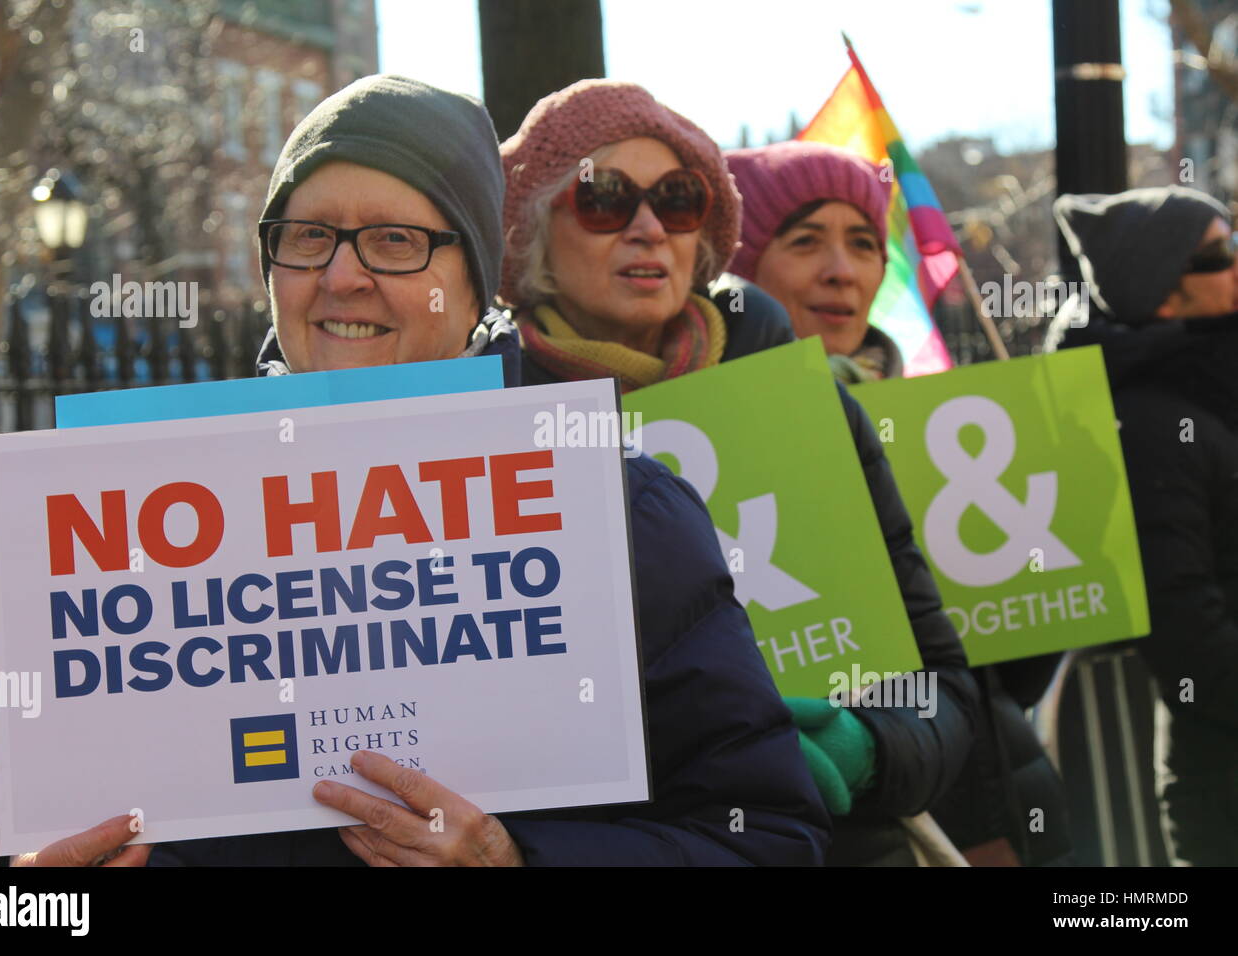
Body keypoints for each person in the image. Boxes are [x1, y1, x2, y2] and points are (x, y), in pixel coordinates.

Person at [0, 74, 829, 867]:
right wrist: (14, 852)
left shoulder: (618, 506)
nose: (343, 276)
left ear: (478, 284)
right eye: (308, 236)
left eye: (396, 241)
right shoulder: (112, 495)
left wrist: (518, 860)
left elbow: (764, 832)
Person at [499, 80, 978, 865]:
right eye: (604, 198)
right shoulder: (481, 436)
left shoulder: (811, 404)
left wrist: (869, 750)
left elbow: (945, 693)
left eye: (679, 200)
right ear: (531, 234)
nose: (648, 227)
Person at [723, 139, 1072, 865]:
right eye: (805, 241)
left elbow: (997, 677)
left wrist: (1049, 580)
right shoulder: (697, 444)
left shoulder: (946, 421)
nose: (842, 270)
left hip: (994, 795)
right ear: (741, 264)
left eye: (863, 242)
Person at [1046, 185, 1238, 866]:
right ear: (1162, 295)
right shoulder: (1155, 420)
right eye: (1220, 253)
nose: (1237, 261)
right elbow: (1184, 626)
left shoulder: (1210, 388)